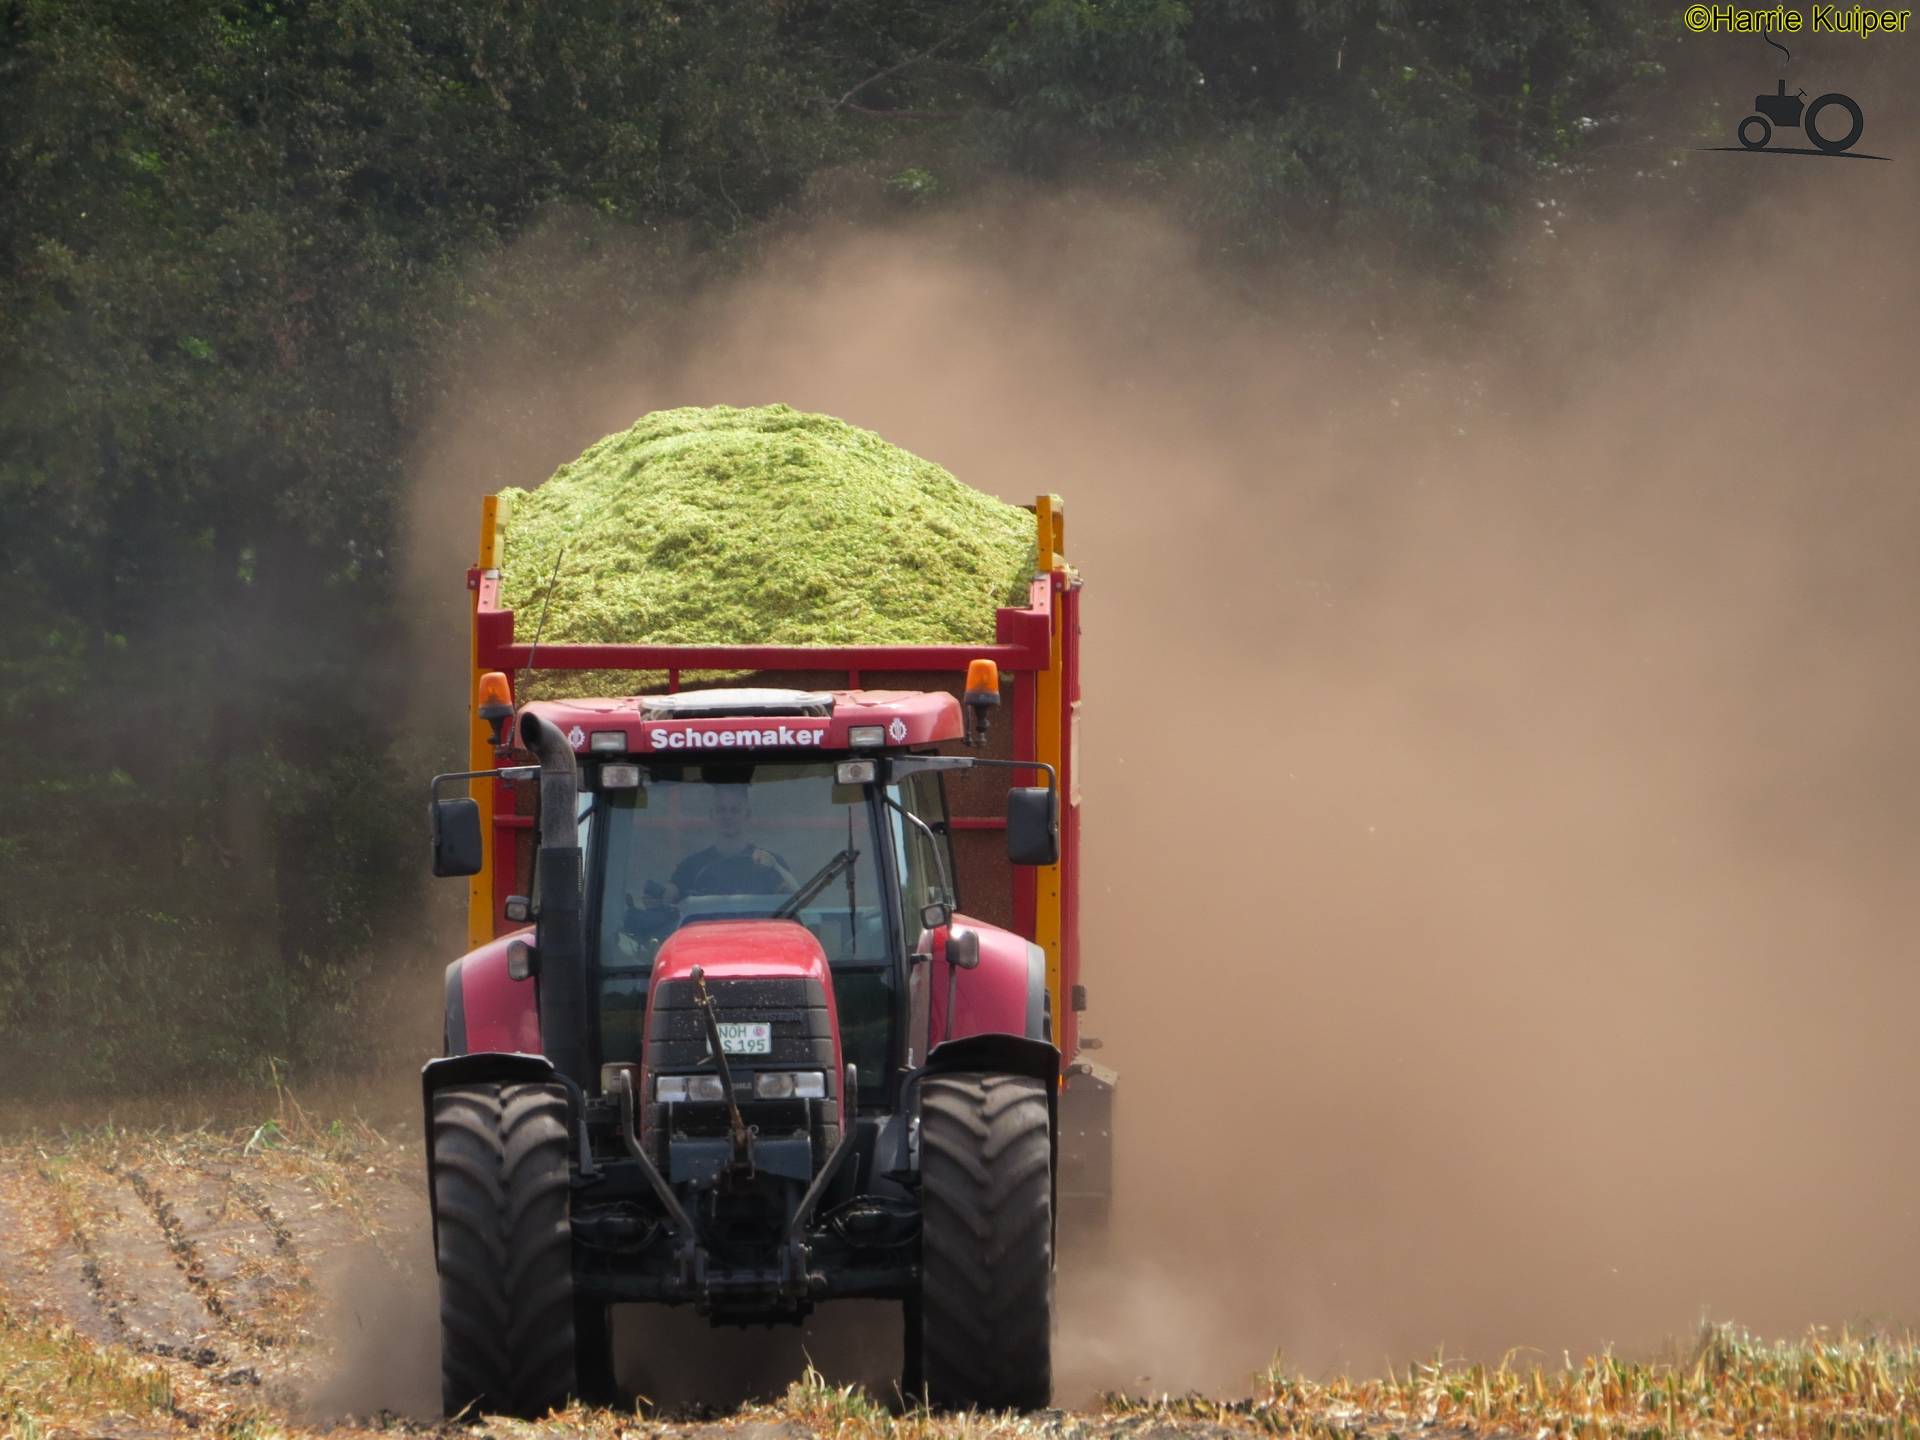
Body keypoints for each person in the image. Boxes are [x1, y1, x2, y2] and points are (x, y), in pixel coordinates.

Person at [655, 784, 797, 903]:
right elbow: (669, 896)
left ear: (747, 815)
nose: (727, 816)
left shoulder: (769, 863)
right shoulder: (691, 866)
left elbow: (798, 900)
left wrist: (776, 867)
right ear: (711, 814)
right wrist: (658, 894)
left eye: (734, 810)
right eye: (721, 810)